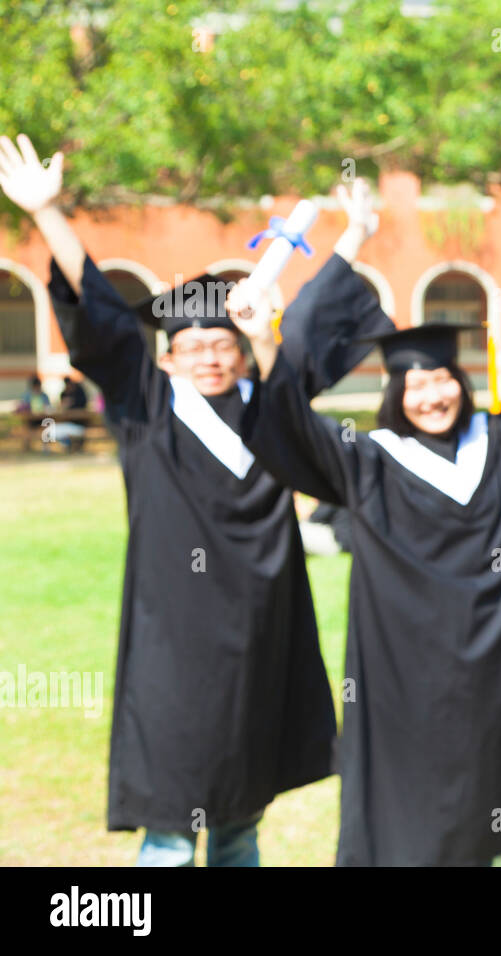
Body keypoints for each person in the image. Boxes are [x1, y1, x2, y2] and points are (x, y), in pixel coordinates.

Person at [0, 133, 386, 866]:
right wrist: (50, 214)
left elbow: (306, 333)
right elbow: (106, 320)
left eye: (223, 344)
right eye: (193, 346)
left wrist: (358, 231)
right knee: (173, 825)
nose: (210, 355)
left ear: (241, 349)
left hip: (264, 634)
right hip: (173, 643)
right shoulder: (145, 405)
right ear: (168, 354)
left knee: (241, 818)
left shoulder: (268, 401)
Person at [229, 233, 501, 866]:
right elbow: (291, 427)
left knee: (493, 816)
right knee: (413, 831)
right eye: (414, 384)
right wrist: (265, 342)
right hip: (402, 683)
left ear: (460, 382)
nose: (431, 395)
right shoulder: (367, 463)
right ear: (395, 394)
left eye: (441, 379)